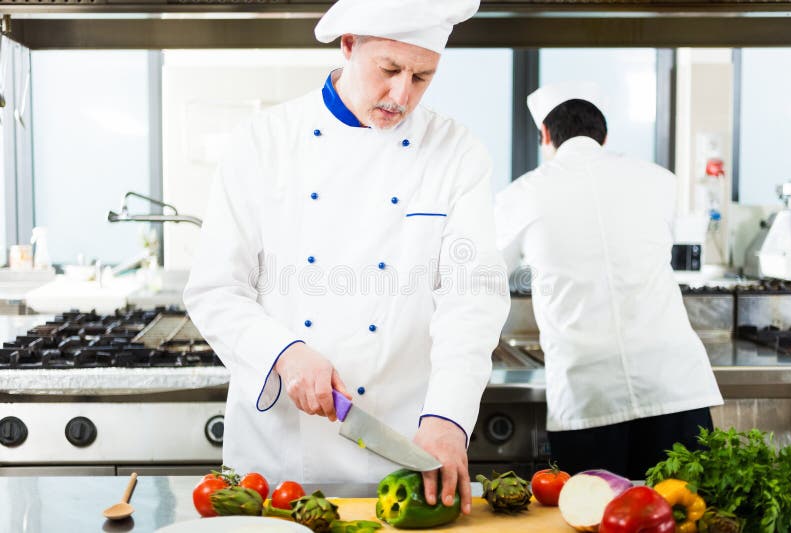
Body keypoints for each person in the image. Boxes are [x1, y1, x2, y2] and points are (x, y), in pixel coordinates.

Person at [183, 0, 509, 513]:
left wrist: (447, 418)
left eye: (422, 77)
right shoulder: (264, 142)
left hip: (399, 452)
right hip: (280, 457)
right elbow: (215, 288)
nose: (402, 95)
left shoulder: (457, 152)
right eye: (390, 70)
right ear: (349, 45)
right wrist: (285, 352)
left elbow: (473, 300)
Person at [494, 81, 723, 480]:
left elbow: (483, 277)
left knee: (593, 510)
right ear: (604, 135)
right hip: (673, 385)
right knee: (685, 508)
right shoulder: (660, 180)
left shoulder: (521, 194)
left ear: (545, 135)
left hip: (589, 395)